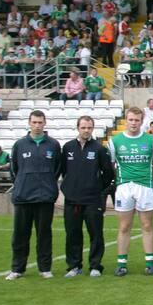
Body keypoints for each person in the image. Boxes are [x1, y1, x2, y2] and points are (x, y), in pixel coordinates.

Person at [7, 111, 62, 280]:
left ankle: (45, 268)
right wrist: (23, 184)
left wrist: (48, 185)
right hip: (24, 196)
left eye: (40, 122)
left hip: (45, 197)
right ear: (29, 123)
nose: (37, 125)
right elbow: (14, 170)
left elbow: (57, 169)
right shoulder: (20, 145)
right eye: (34, 122)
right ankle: (18, 268)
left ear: (45, 123)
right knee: (20, 234)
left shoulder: (53, 145)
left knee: (44, 234)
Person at [59, 116, 115, 278]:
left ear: (93, 129)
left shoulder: (99, 148)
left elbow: (108, 173)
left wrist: (98, 188)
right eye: (83, 127)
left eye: (89, 128)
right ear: (78, 127)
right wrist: (70, 187)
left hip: (93, 199)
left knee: (96, 233)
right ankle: (74, 266)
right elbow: (64, 171)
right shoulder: (68, 147)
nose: (86, 130)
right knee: (72, 233)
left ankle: (95, 265)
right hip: (72, 199)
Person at [108, 107, 153, 276]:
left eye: (137, 120)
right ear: (126, 119)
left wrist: (150, 179)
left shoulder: (151, 140)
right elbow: (112, 165)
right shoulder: (115, 141)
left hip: (145, 186)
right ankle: (121, 263)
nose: (133, 123)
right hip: (124, 187)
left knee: (147, 225)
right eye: (130, 120)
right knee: (124, 226)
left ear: (142, 120)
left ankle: (150, 262)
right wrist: (120, 180)